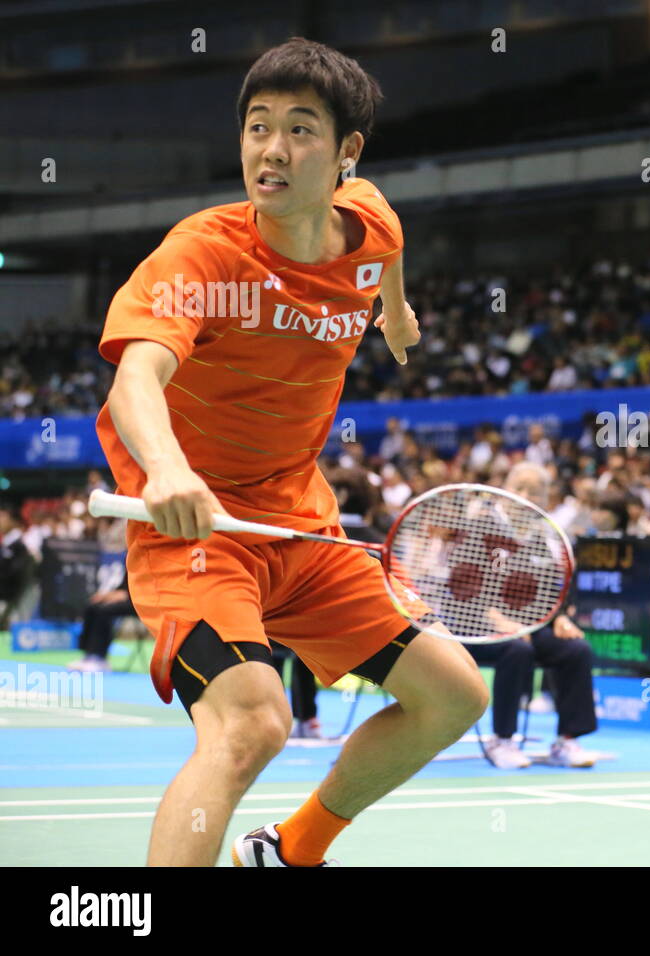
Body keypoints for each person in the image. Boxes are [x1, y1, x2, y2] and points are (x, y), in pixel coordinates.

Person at [93, 38, 488, 867]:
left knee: (454, 697)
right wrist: (167, 467)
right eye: (257, 126)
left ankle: (291, 850)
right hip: (193, 527)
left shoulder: (371, 222)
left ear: (347, 152)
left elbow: (386, 250)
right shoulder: (204, 254)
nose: (271, 150)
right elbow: (138, 377)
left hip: (301, 531)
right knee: (254, 722)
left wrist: (398, 316)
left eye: (300, 130)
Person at [466, 462, 600, 769]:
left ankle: (567, 740)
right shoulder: (481, 527)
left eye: (535, 491)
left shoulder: (546, 535)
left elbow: (560, 586)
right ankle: (503, 740)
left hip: (530, 626)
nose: (526, 496)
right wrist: (499, 621)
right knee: (517, 649)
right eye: (520, 488)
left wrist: (561, 617)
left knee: (576, 650)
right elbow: (463, 586)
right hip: (478, 626)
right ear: (506, 489)